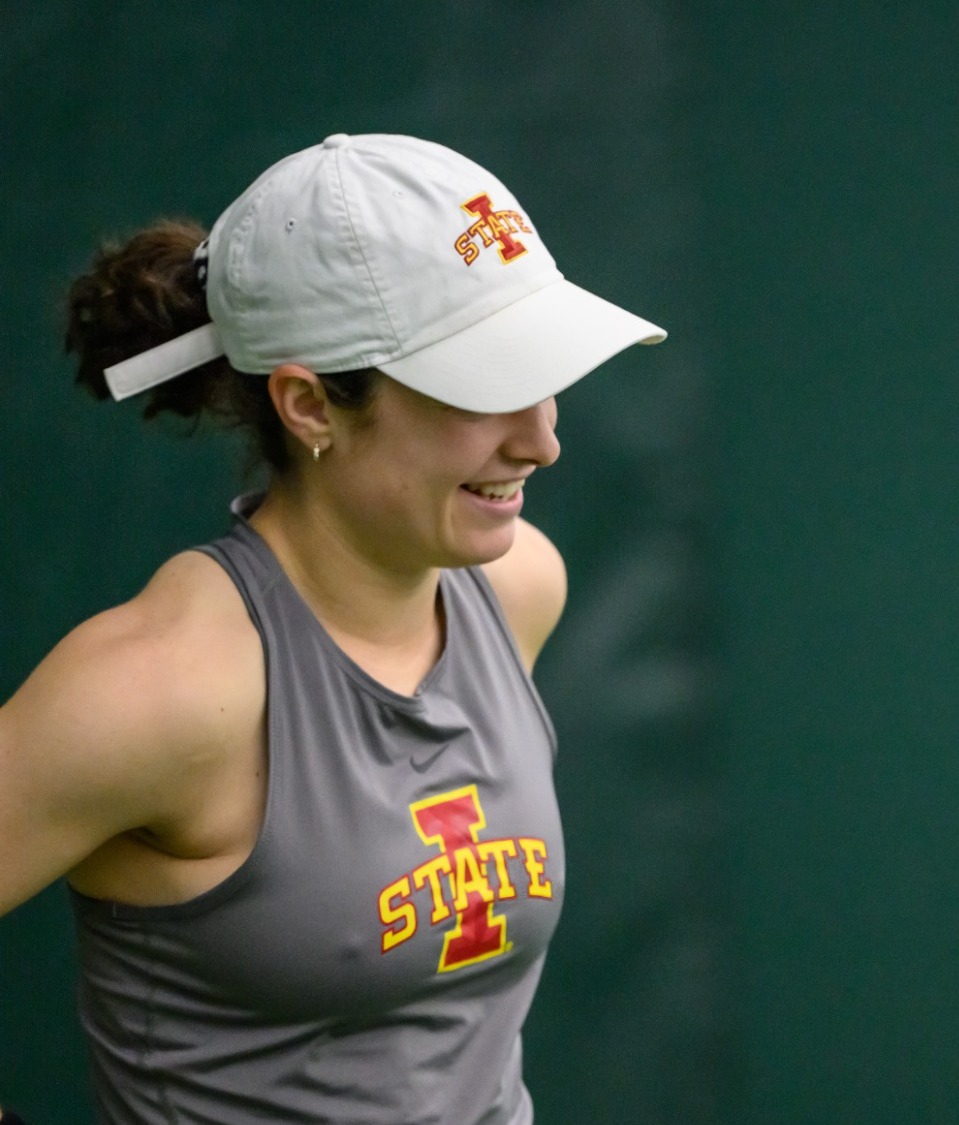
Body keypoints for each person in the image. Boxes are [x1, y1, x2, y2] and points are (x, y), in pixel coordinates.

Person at [0, 133, 663, 1123]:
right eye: (484, 388)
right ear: (310, 405)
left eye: (543, 371)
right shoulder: (159, 690)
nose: (542, 439)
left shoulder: (522, 586)